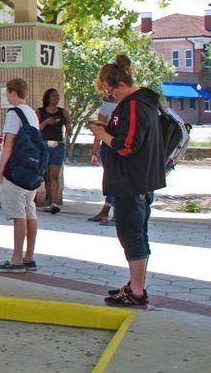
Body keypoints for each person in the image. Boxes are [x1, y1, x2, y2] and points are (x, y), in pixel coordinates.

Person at [88, 55, 165, 308]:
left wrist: (101, 134)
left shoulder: (134, 105)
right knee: (137, 235)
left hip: (130, 183)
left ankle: (138, 291)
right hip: (139, 181)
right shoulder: (145, 103)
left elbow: (127, 145)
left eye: (111, 91)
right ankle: (135, 285)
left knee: (132, 236)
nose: (111, 96)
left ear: (120, 84)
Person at [0, 78, 42, 273]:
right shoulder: (31, 113)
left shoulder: (14, 113)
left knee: (18, 215)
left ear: (13, 93)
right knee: (30, 212)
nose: (6, 97)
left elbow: (9, 143)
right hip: (31, 172)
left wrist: (0, 169)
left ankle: (16, 259)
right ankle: (30, 257)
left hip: (15, 172)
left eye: (7, 93)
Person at [37, 88, 72, 214]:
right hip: (44, 146)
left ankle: (54, 203)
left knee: (54, 175)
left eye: (57, 96)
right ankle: (49, 201)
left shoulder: (63, 112)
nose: (56, 99)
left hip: (58, 146)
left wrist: (66, 136)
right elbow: (36, 129)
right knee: (46, 175)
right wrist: (46, 122)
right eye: (53, 96)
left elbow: (68, 126)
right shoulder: (40, 112)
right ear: (47, 98)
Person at [87, 93, 118, 225]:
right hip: (118, 144)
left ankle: (113, 213)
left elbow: (100, 130)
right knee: (114, 178)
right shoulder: (122, 106)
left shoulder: (105, 107)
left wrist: (95, 150)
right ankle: (106, 210)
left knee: (111, 179)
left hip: (108, 144)